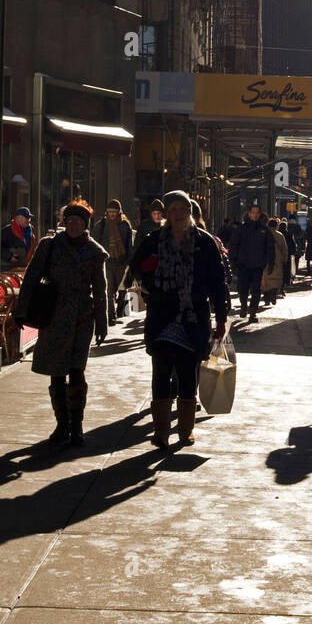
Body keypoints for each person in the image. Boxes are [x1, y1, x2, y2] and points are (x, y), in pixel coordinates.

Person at [128, 189, 227, 448]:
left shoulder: (204, 242)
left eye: (183, 209)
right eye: (173, 209)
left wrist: (222, 317)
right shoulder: (153, 241)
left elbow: (218, 282)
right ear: (166, 214)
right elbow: (136, 267)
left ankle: (185, 430)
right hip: (162, 316)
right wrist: (150, 282)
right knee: (161, 373)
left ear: (190, 213)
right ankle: (161, 431)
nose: (179, 214)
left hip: (193, 318)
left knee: (187, 374)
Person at [14, 199, 108, 447]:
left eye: (78, 221)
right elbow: (32, 278)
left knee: (77, 371)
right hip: (53, 316)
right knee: (56, 371)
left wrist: (102, 322)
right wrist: (21, 311)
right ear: (64, 223)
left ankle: (76, 427)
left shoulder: (95, 252)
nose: (74, 225)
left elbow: (100, 290)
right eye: (70, 221)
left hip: (82, 318)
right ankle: (61, 425)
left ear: (85, 224)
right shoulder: (50, 246)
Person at [229, 204, 274, 323]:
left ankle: (252, 312)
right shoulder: (241, 228)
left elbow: (269, 248)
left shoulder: (264, 230)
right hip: (243, 264)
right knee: (242, 288)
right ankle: (244, 306)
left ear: (260, 215)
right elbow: (234, 245)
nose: (255, 215)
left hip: (258, 265)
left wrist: (270, 263)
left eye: (257, 213)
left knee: (256, 290)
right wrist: (233, 261)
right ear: (249, 214)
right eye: (253, 212)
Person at [91, 199, 133, 325]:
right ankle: (111, 317)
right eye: (109, 211)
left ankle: (120, 313)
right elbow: (94, 243)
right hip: (107, 263)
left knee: (122, 290)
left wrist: (129, 263)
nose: (112, 214)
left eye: (114, 211)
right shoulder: (101, 225)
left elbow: (129, 246)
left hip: (121, 262)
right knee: (109, 291)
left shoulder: (125, 226)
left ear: (119, 212)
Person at [262, 218, 288, 306]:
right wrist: (284, 259)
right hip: (277, 260)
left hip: (265, 259)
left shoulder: (264, 234)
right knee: (276, 279)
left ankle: (266, 297)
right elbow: (284, 248)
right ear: (276, 226)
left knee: (266, 279)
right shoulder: (279, 235)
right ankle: (273, 295)